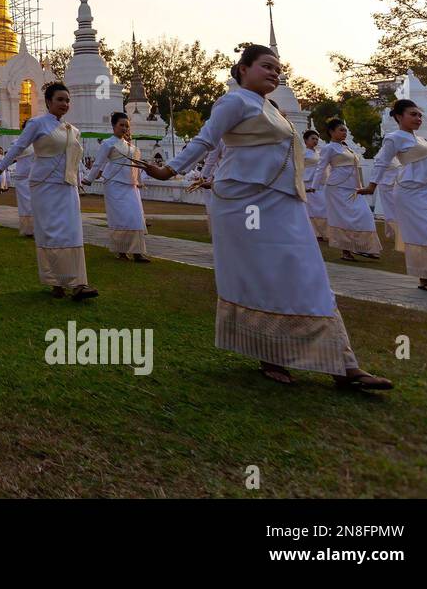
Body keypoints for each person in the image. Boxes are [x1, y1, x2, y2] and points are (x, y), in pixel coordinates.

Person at [138, 45, 391, 389]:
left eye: (278, 68)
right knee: (264, 276)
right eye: (266, 66)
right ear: (243, 69)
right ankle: (272, 353)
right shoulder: (234, 101)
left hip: (283, 201)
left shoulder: (271, 108)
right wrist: (169, 170)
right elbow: (206, 139)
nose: (275, 73)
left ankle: (342, 362)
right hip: (246, 203)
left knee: (308, 274)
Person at [0, 83, 96, 300]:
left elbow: (73, 160)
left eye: (67, 100)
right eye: (60, 99)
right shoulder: (37, 123)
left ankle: (78, 283)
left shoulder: (72, 130)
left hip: (67, 187)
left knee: (72, 231)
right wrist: (0, 167)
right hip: (45, 187)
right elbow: (19, 147)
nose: (64, 104)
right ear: (48, 102)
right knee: (51, 232)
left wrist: (80, 182)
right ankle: (55, 281)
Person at [360, 102, 427, 293]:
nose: (418, 118)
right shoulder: (394, 138)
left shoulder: (420, 138)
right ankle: (426, 278)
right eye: (413, 114)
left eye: (420, 115)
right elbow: (381, 162)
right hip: (412, 193)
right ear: (399, 117)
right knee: (425, 233)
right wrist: (371, 186)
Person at [311, 118, 383, 262]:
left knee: (365, 216)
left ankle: (364, 247)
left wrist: (361, 186)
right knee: (343, 220)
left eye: (345, 130)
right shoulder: (328, 148)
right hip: (337, 188)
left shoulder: (346, 147)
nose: (344, 133)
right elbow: (321, 167)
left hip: (354, 188)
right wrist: (314, 186)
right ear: (331, 132)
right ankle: (346, 251)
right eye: (341, 130)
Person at [84, 111, 150, 263]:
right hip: (114, 184)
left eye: (127, 126)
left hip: (131, 186)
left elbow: (136, 166)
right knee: (120, 218)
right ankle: (121, 250)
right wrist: (89, 179)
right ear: (113, 126)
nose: (124, 128)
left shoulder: (130, 146)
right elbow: (98, 163)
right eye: (121, 125)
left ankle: (137, 252)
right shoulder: (108, 143)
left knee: (136, 217)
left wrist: (139, 181)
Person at [302, 130, 328, 241]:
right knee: (311, 209)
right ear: (305, 140)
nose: (315, 141)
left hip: (319, 183)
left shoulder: (318, 153)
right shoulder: (303, 153)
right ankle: (314, 233)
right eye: (313, 138)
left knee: (321, 207)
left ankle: (321, 232)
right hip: (308, 183)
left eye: (317, 139)